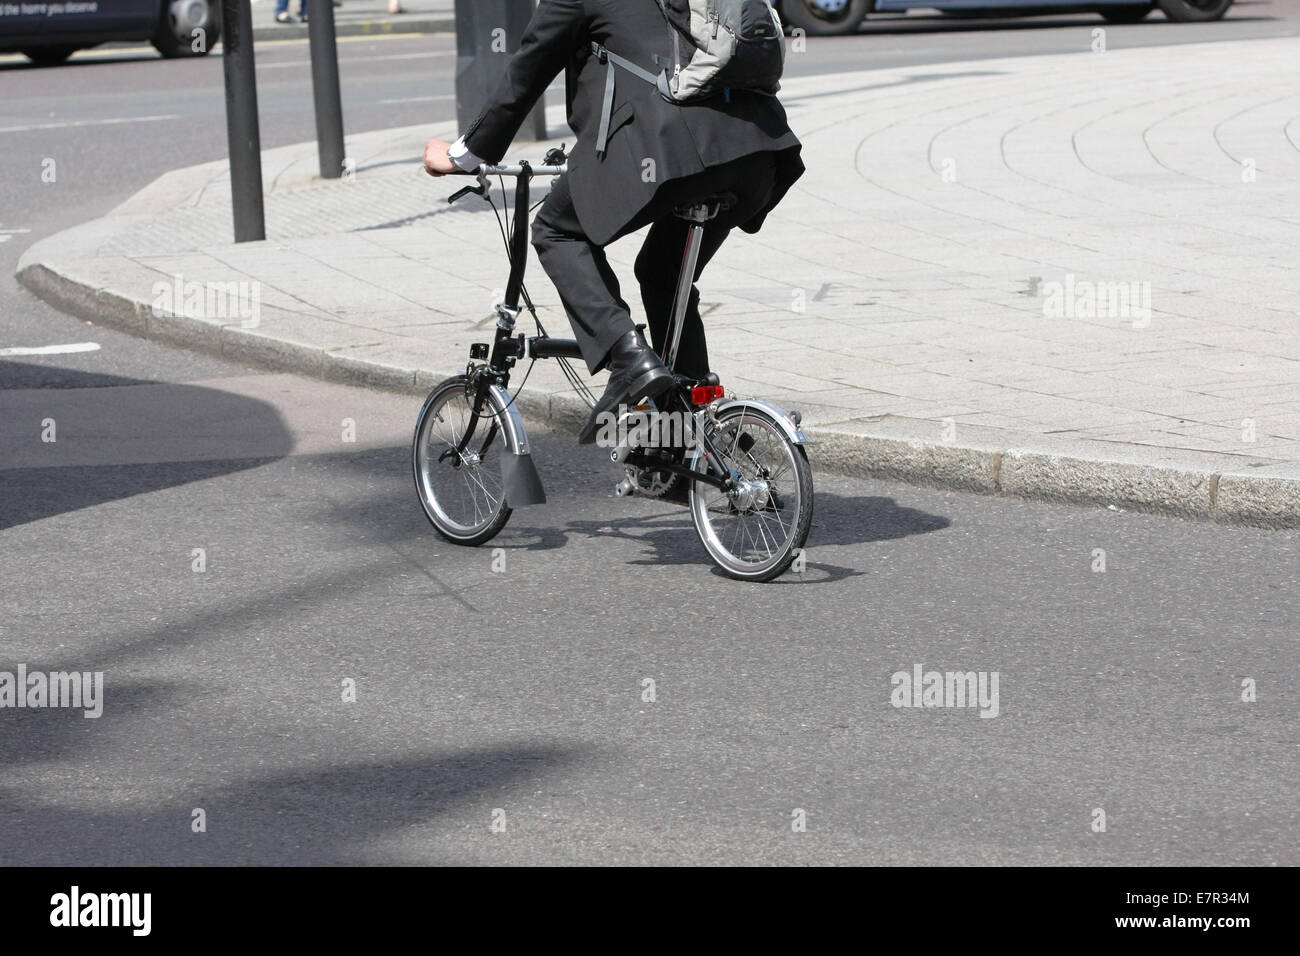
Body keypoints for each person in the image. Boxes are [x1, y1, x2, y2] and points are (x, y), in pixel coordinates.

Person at [423, 0, 803, 444]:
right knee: (662, 275)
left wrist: (464, 155)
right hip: (759, 152)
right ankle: (691, 431)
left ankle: (629, 358)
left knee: (554, 229)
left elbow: (527, 71)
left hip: (667, 147)